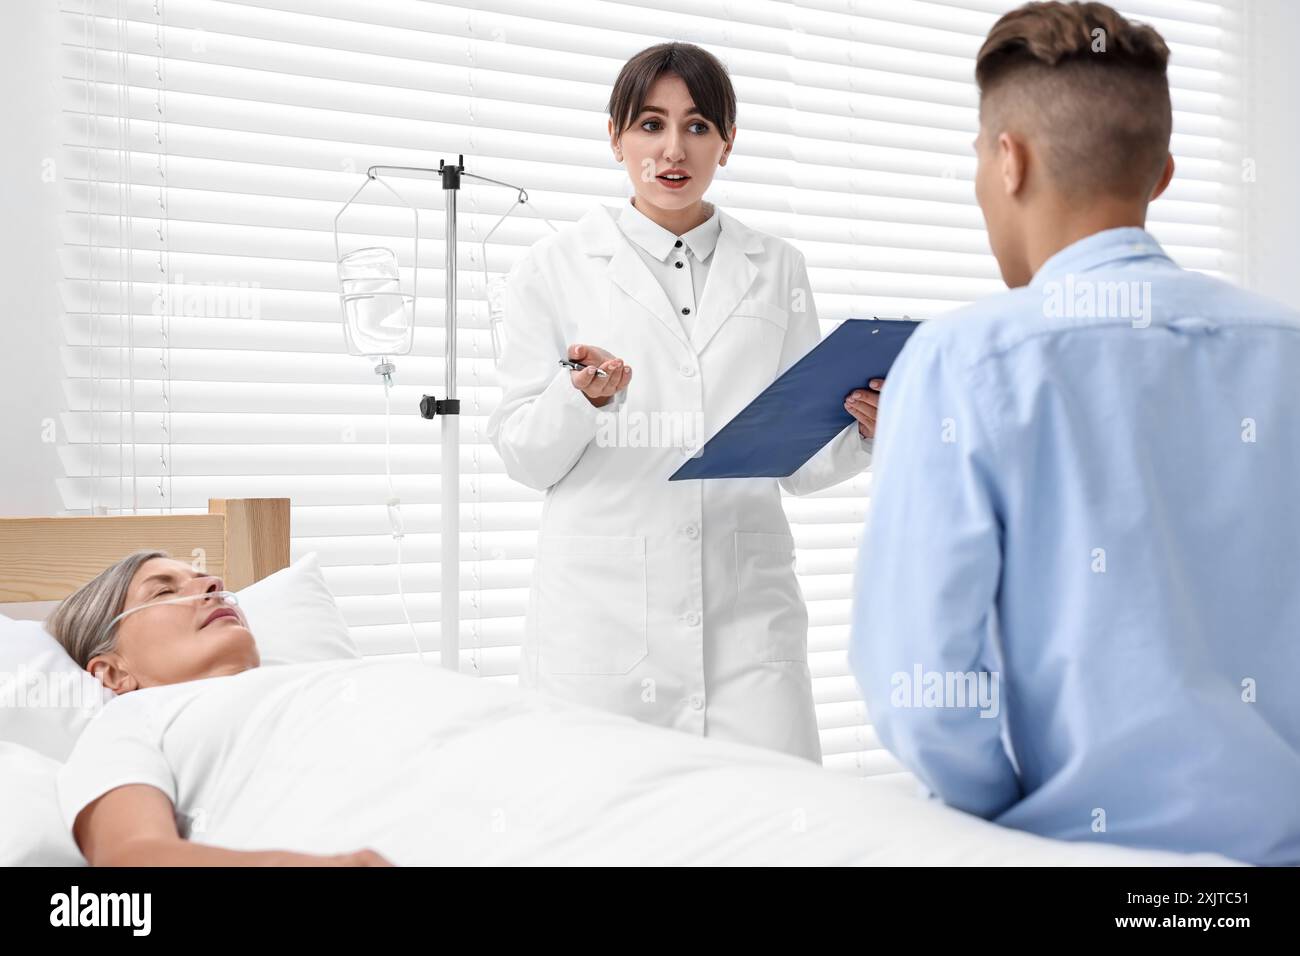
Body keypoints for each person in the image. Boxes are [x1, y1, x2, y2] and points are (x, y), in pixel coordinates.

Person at [849, 0, 1300, 866]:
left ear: (1008, 161)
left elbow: (920, 690)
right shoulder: (1285, 348)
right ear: (1161, 173)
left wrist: (1028, 825)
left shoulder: (962, 361)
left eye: (980, 157)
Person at [488, 42, 882, 761]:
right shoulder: (551, 269)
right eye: (650, 124)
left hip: (747, 623)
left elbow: (799, 462)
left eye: (698, 126)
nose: (673, 149)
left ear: (727, 143)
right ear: (615, 136)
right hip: (602, 626)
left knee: (772, 829)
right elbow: (524, 454)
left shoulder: (777, 268)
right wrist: (580, 399)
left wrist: (864, 429)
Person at [47, 551, 392, 866]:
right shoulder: (133, 719)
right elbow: (133, 856)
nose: (213, 584)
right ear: (113, 672)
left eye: (205, 577)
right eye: (163, 591)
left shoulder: (322, 682)